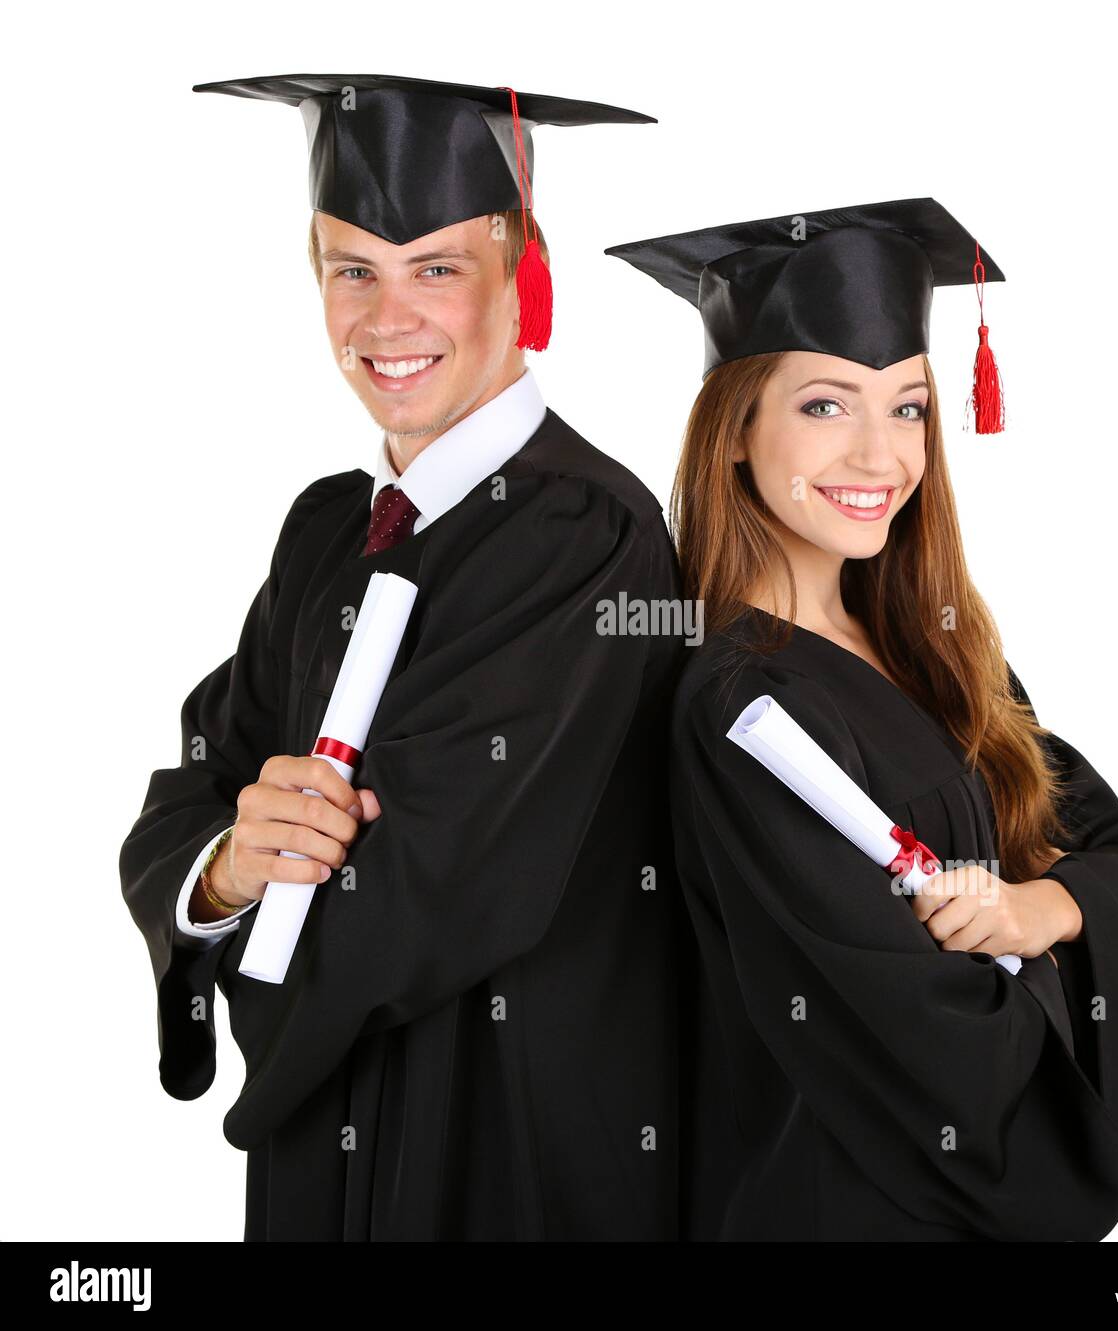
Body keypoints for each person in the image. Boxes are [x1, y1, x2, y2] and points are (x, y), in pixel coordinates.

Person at [120, 73, 684, 1241]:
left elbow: (432, 881)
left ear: (520, 275)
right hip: (327, 1151)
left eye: (436, 268)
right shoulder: (331, 524)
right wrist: (228, 867)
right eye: (352, 270)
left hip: (504, 1140)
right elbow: (200, 775)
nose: (388, 320)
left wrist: (283, 921)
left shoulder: (585, 532)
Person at [606, 199, 1118, 1241]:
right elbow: (920, 1034)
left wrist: (1035, 912)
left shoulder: (942, 647)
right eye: (825, 406)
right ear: (735, 428)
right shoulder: (738, 705)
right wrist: (1051, 908)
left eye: (907, 407)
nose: (879, 455)